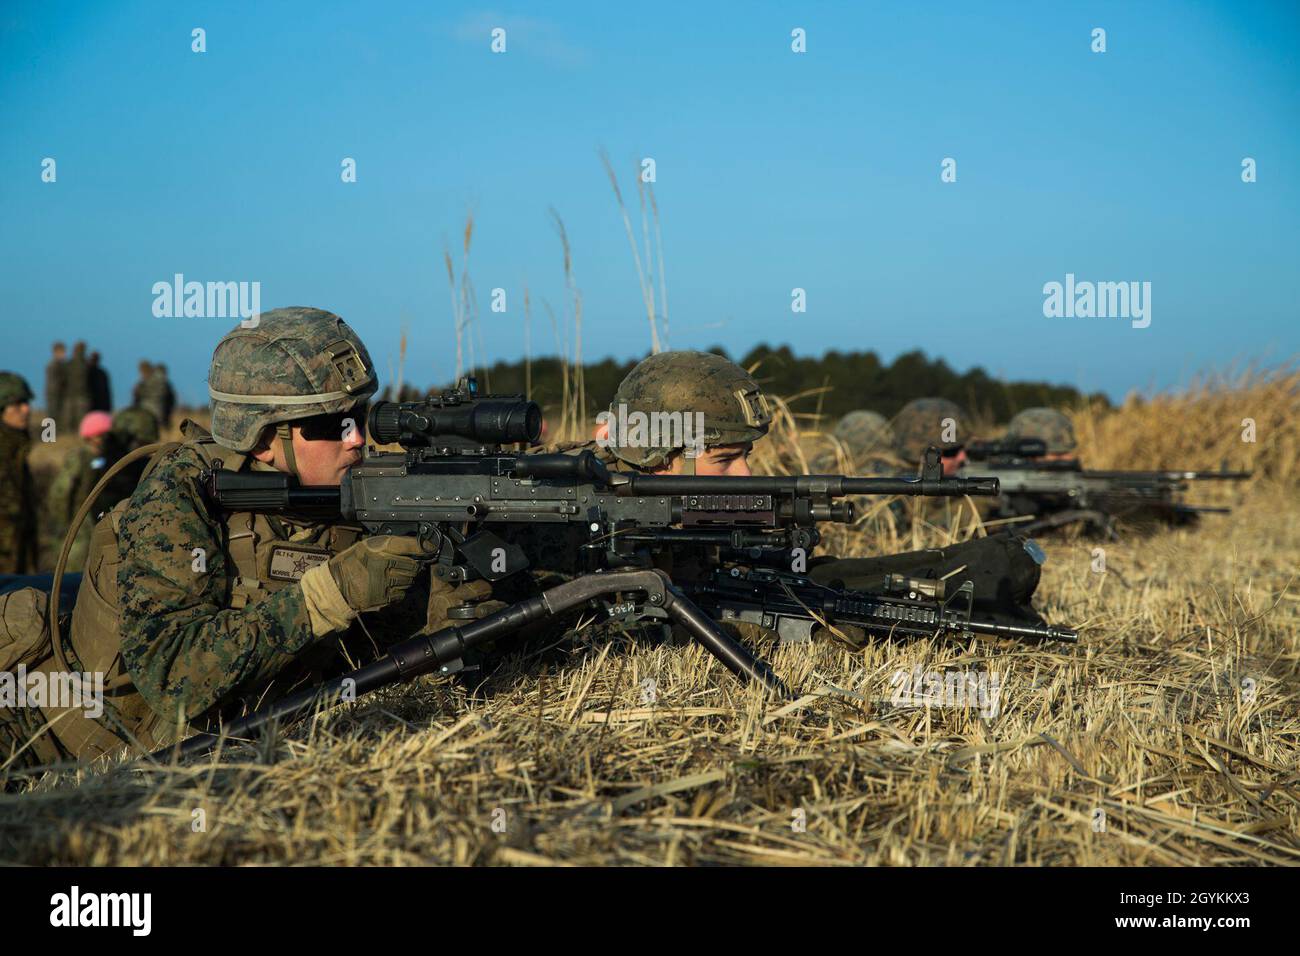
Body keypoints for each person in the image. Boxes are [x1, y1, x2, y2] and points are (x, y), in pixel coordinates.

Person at [1, 308, 488, 772]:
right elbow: (174, 678)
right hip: (53, 747)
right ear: (260, 440)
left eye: (359, 416)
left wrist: (445, 595)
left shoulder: (350, 496)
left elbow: (372, 648)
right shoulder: (182, 495)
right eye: (329, 425)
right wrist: (333, 593)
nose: (356, 438)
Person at [46, 411, 116, 572]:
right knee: (74, 575)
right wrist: (64, 524)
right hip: (78, 528)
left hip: (89, 523)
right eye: (104, 436)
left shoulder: (100, 458)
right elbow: (61, 491)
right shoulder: (80, 457)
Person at [0, 374, 38, 575]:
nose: (26, 409)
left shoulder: (18, 449)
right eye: (17, 404)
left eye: (26, 402)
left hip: (18, 560)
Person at [44, 342, 67, 432]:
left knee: (58, 416)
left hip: (56, 395)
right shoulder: (53, 365)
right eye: (62, 352)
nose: (64, 354)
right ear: (56, 352)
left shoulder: (58, 364)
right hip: (53, 395)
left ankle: (55, 437)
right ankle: (49, 438)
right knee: (52, 416)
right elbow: (55, 382)